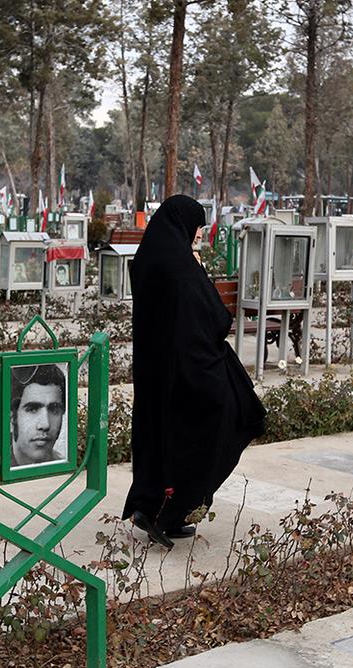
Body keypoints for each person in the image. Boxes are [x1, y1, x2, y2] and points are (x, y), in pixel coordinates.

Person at [123, 195, 266, 548]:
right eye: (197, 225)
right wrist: (198, 269)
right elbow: (216, 316)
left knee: (160, 437)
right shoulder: (181, 266)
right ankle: (170, 512)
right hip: (190, 370)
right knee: (230, 419)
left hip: (156, 370)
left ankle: (155, 508)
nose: (200, 232)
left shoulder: (148, 258)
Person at [11, 363, 66, 466]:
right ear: (11, 418)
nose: (45, 425)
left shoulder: (61, 463)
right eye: (32, 409)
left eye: (54, 410)